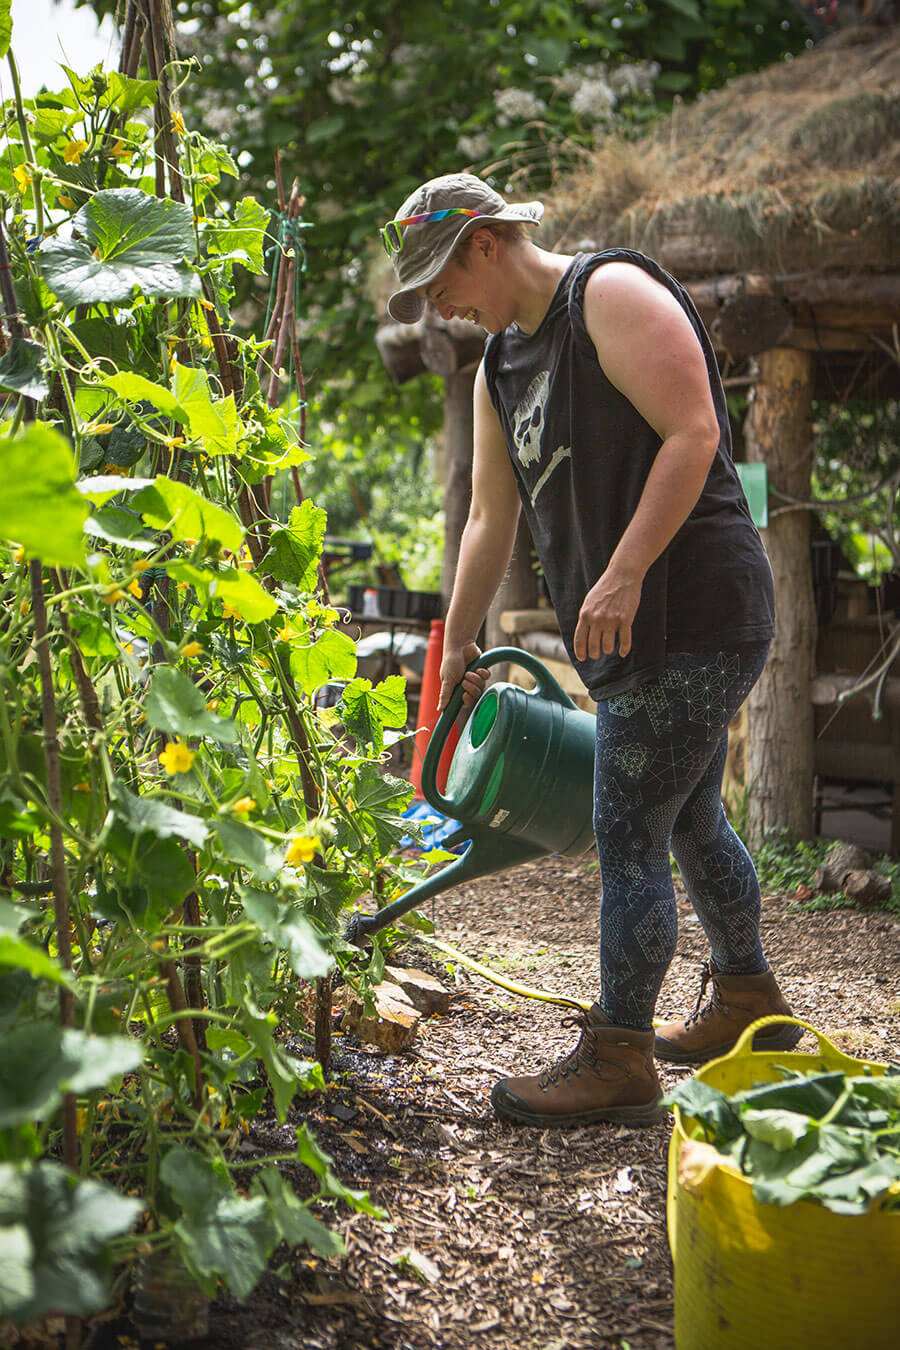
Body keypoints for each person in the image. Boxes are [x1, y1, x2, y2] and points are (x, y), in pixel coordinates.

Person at [381, 173, 802, 1128]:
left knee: (627, 827)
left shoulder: (607, 294)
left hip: (696, 606)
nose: (437, 304)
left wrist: (621, 572)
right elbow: (490, 518)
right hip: (633, 629)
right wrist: (460, 641)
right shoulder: (499, 368)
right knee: (688, 817)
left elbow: (693, 434)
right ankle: (749, 1003)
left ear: (486, 243)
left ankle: (620, 1055)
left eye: (440, 279)